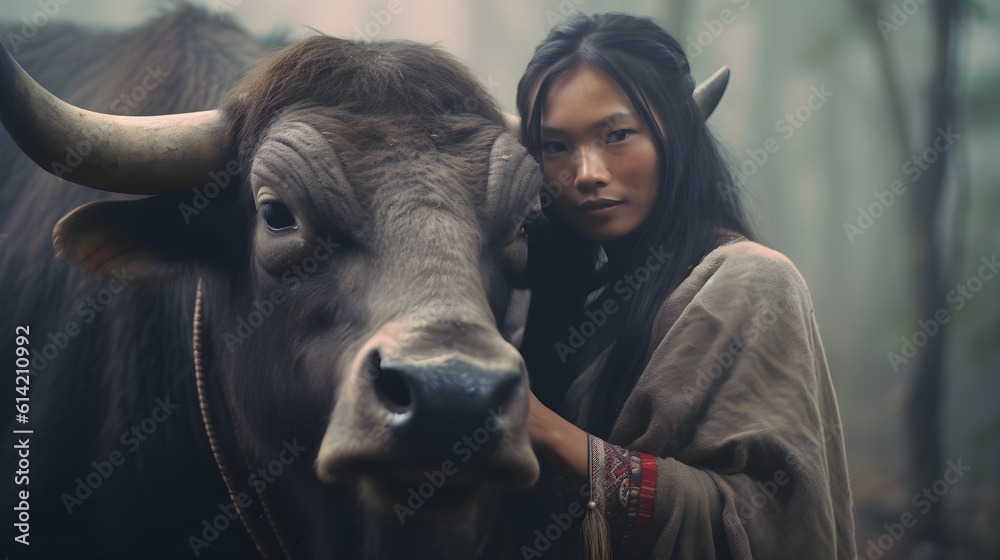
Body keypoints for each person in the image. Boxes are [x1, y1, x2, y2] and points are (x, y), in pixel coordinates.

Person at [507, 12, 856, 559]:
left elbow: (767, 523)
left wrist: (541, 428)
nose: (587, 172)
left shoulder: (752, 281)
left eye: (617, 135)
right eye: (556, 147)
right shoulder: (572, 298)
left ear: (680, 134)